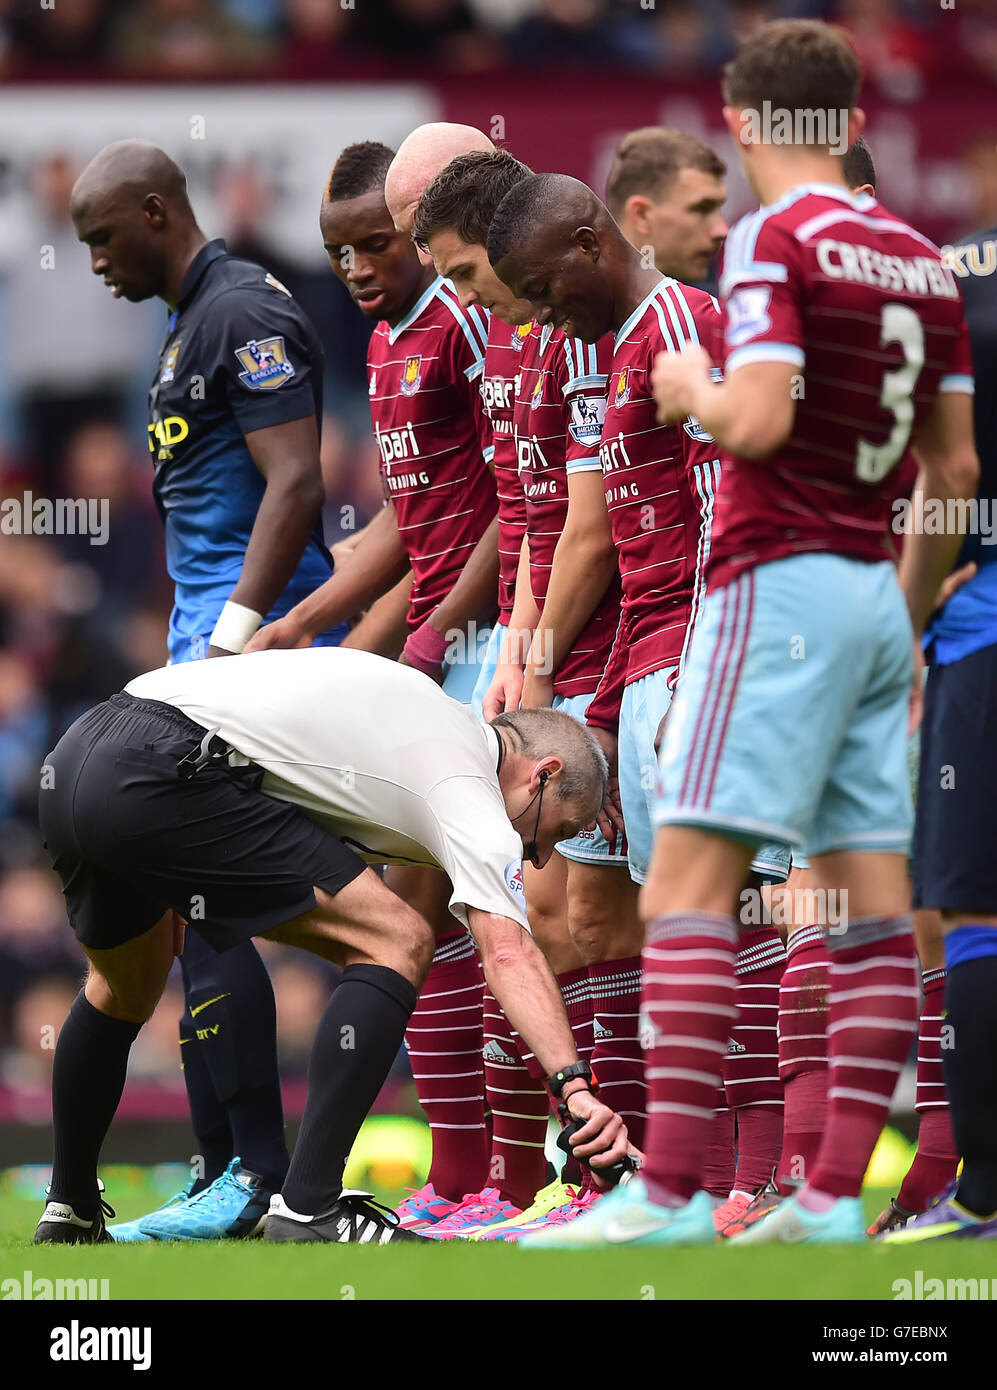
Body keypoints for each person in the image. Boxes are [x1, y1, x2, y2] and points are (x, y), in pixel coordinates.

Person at [527, 18, 978, 1247]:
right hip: (877, 599)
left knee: (689, 881)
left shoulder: (779, 240)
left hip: (771, 583)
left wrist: (689, 394)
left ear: (741, 117)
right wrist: (899, 604)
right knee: (866, 894)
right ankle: (831, 1198)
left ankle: (667, 1195)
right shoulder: (921, 260)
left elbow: (761, 419)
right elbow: (954, 467)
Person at [33, 645, 628, 1245]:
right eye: (556, 830)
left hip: (83, 754)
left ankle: (70, 1207)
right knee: (396, 939)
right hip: (168, 770)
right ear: (542, 772)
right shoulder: (466, 779)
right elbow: (507, 953)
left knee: (122, 989)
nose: (542, 855)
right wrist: (574, 1086)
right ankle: (309, 1204)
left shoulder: (423, 715)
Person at [69, 139, 349, 1241]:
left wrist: (231, 645)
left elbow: (296, 484)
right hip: (207, 657)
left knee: (215, 907)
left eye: (102, 238)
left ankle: (257, 1176)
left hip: (257, 662)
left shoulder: (243, 313)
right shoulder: (187, 323)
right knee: (200, 915)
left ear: (154, 210)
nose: (92, 260)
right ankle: (229, 1171)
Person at [882, 147, 997, 1243]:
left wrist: (905, 612)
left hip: (978, 631)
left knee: (966, 912)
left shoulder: (949, 291)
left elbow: (941, 475)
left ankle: (981, 1191)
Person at [605, 127, 729, 285]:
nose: (722, 231)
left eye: (719, 209)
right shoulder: (574, 305)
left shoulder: (718, 303)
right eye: (702, 209)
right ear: (641, 215)